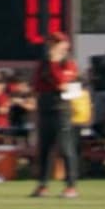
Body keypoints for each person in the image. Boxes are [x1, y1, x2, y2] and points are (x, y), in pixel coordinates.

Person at [31, 34, 80, 199]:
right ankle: (42, 184)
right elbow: (38, 84)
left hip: (61, 108)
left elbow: (63, 82)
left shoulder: (68, 63)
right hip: (45, 106)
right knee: (45, 148)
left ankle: (71, 185)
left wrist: (53, 65)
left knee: (66, 148)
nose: (52, 46)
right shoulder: (44, 63)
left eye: (56, 42)